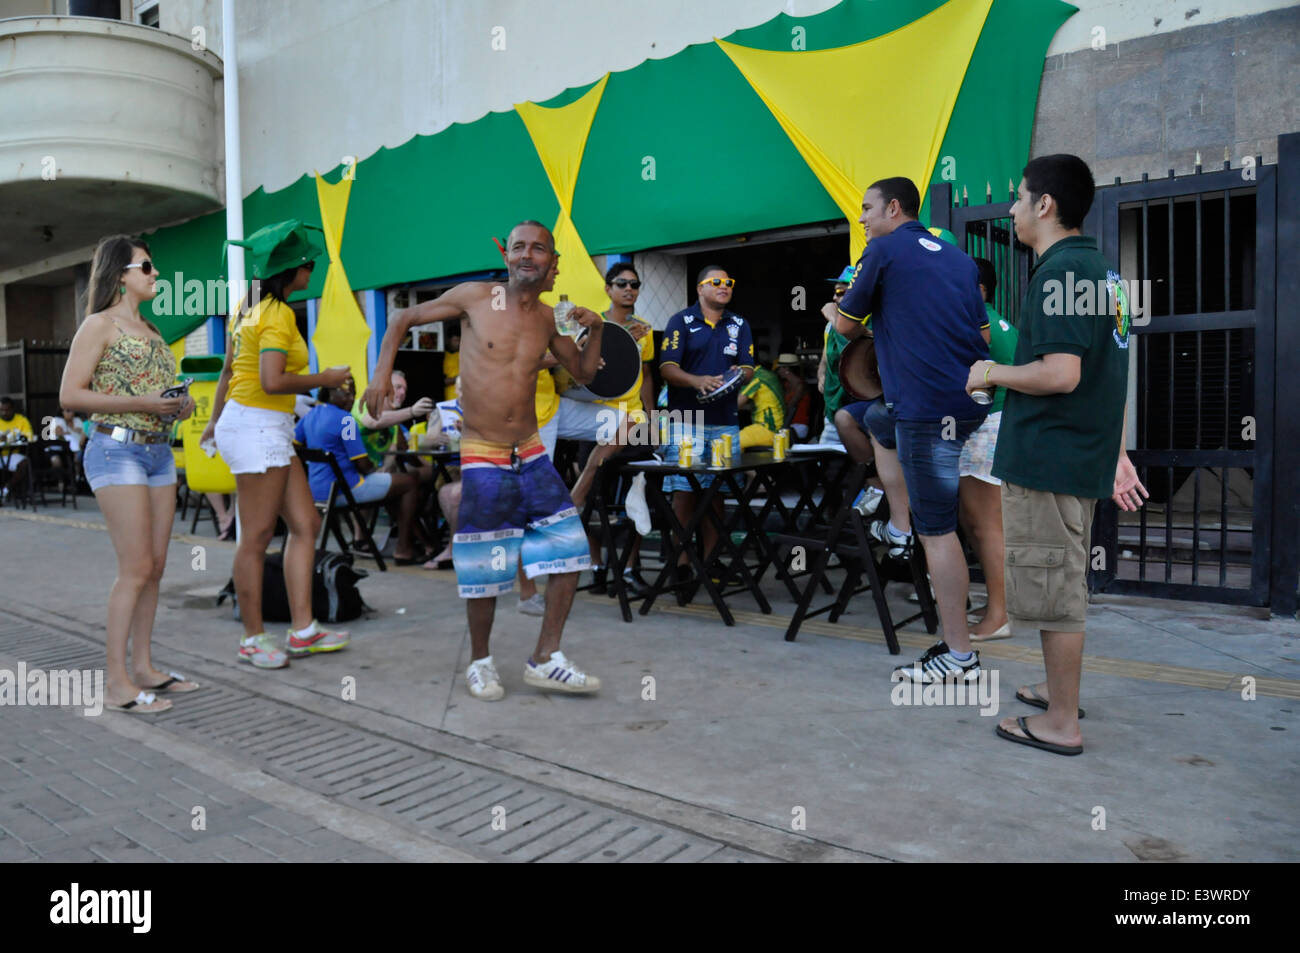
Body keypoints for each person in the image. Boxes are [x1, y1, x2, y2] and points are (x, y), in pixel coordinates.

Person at [363, 220, 605, 701]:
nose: (528, 256)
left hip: (532, 451)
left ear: (552, 262)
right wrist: (380, 374)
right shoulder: (476, 297)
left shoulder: (545, 320)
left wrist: (595, 328)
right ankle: (480, 662)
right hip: (483, 453)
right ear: (508, 256)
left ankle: (545, 658)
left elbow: (582, 372)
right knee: (484, 567)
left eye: (539, 249)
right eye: (520, 247)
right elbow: (399, 320)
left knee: (570, 551)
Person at [969, 154, 1147, 755]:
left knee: (1056, 592)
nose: (1014, 209)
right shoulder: (1103, 275)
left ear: (1045, 204)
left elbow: (1062, 373)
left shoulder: (1059, 275)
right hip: (1078, 457)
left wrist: (991, 370)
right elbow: (1107, 374)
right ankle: (1055, 690)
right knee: (1059, 580)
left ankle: (1060, 723)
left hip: (1050, 459)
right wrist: (1115, 451)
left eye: (1019, 198)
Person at [833, 177, 991, 684]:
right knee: (876, 419)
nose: (861, 219)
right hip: (963, 404)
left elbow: (844, 327)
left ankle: (960, 657)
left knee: (939, 534)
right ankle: (898, 523)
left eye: (866, 208)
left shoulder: (883, 251)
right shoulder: (959, 259)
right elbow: (975, 331)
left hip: (926, 412)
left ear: (893, 208)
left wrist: (834, 311)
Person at [202, 219, 352, 670]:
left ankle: (303, 631)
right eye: (310, 266)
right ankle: (253, 639)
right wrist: (323, 379)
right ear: (296, 270)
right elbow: (271, 381)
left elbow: (230, 370)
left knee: (305, 523)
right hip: (257, 427)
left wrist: (214, 422)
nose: (313, 273)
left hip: (261, 425)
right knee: (257, 536)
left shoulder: (246, 304)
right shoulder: (278, 313)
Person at [59, 235, 200, 713]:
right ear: (121, 274)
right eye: (146, 267)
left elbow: (159, 394)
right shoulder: (98, 327)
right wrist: (141, 403)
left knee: (155, 567)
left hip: (159, 453)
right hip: (115, 452)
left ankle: (143, 668)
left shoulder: (155, 332)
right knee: (136, 568)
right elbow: (71, 396)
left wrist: (181, 404)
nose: (155, 274)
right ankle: (117, 683)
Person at [659, 266, 755, 586]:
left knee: (718, 493)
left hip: (725, 422)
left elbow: (748, 367)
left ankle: (711, 559)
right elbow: (667, 368)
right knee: (684, 492)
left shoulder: (740, 324)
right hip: (687, 420)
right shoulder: (681, 321)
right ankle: (682, 562)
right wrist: (697, 380)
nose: (724, 286)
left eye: (728, 282)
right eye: (716, 282)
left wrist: (735, 377)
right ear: (700, 289)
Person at [295, 374, 427, 564]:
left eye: (353, 394)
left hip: (315, 492)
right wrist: (376, 468)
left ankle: (372, 539)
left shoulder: (311, 415)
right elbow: (363, 465)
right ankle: (404, 548)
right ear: (330, 393)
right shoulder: (347, 421)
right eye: (346, 394)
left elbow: (295, 445)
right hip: (347, 490)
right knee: (410, 481)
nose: (351, 399)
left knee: (394, 485)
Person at [960, 257, 1018, 641]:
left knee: (986, 526)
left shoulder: (981, 326)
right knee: (978, 523)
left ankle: (999, 615)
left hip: (987, 429)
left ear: (979, 290)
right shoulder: (998, 321)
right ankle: (998, 606)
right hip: (994, 428)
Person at [737, 358, 785, 449]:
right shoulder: (766, 374)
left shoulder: (755, 377)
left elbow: (737, 404)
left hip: (768, 429)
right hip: (777, 429)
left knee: (728, 443)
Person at [0, 397, 34, 501]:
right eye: (2, 410)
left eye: (7, 410)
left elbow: (29, 437)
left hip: (13, 454)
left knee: (25, 463)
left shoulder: (21, 420)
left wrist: (11, 437)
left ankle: (6, 488)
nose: (4, 413)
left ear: (12, 409)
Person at [776, 354, 811, 440]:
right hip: (788, 424)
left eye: (779, 368)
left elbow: (789, 406)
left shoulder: (800, 386)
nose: (778, 371)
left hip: (799, 425)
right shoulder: (786, 384)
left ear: (787, 369)